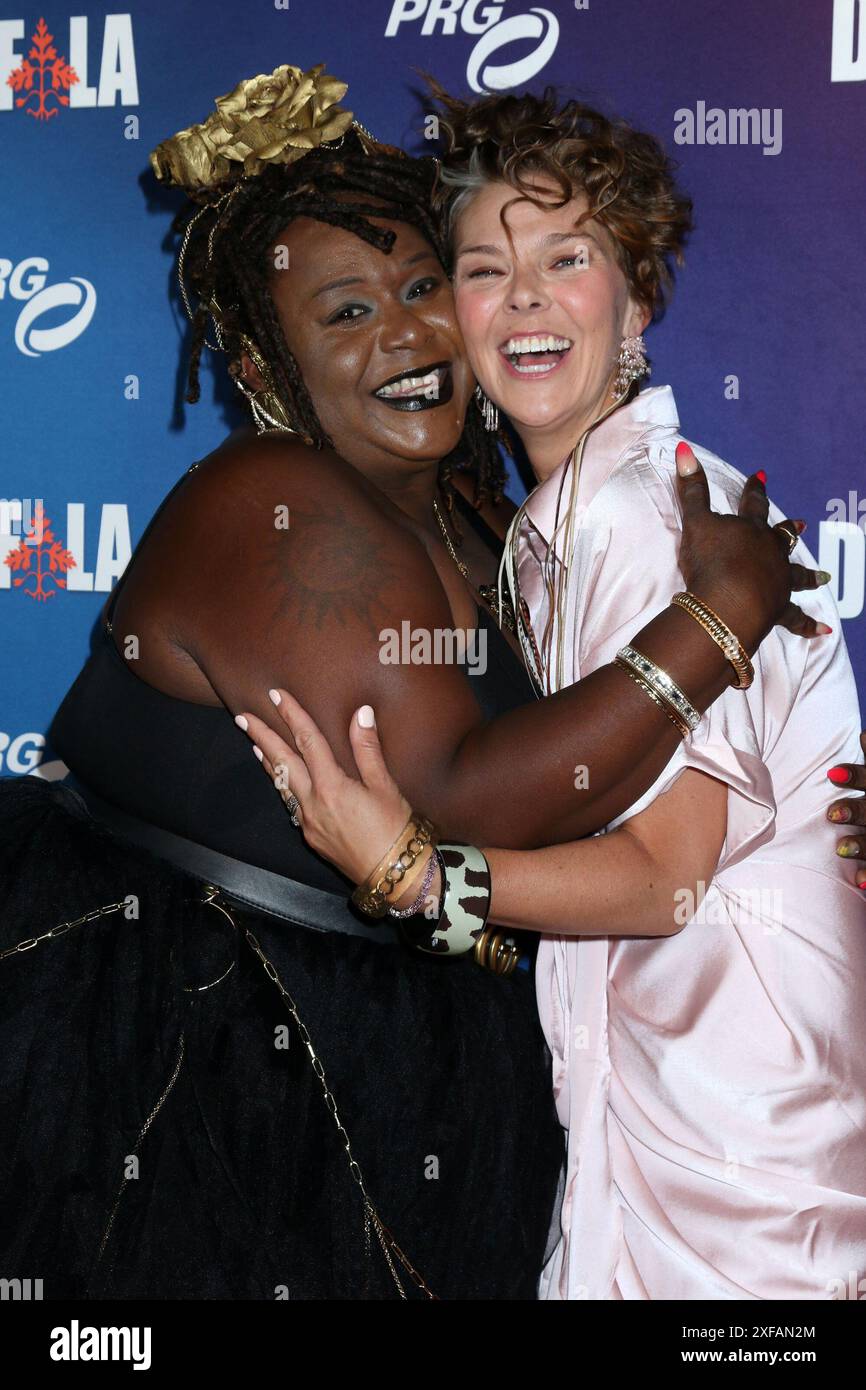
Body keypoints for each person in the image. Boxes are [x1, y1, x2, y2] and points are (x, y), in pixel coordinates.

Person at [0, 65, 843, 1301]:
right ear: (255, 350)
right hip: (187, 1072)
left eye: (416, 289)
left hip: (431, 1063)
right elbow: (460, 792)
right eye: (343, 314)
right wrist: (717, 618)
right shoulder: (274, 504)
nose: (403, 333)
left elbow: (656, 825)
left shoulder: (490, 522)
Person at [232, 85, 866, 1300]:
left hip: (738, 1125)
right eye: (483, 267)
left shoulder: (647, 513)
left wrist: (413, 875)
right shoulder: (549, 528)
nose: (521, 298)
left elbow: (665, 875)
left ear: (633, 297)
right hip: (660, 1094)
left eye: (563, 257)